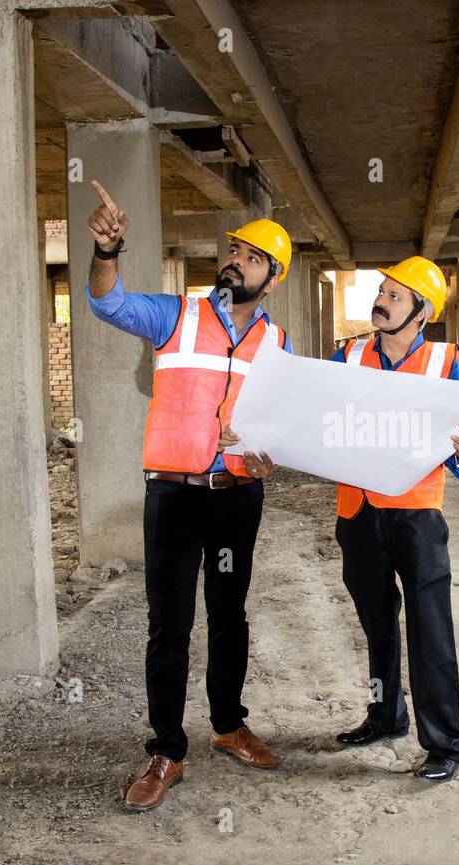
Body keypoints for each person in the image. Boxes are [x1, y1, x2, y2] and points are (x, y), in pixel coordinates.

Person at [84, 180, 291, 811]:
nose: (236, 260)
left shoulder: (277, 346)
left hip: (235, 497)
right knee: (169, 626)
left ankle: (228, 725)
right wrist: (107, 253)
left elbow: (283, 426)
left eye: (252, 256)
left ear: (272, 278)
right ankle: (167, 751)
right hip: (172, 498)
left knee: (229, 613)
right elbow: (108, 303)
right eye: (232, 250)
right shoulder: (178, 315)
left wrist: (265, 457)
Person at [328, 256, 459, 782]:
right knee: (376, 625)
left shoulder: (445, 363)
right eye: (383, 291)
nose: (382, 301)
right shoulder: (347, 355)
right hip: (358, 513)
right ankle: (385, 715)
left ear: (422, 312)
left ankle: (446, 744)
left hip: (416, 517)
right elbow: (317, 416)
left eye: (396, 295)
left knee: (430, 629)